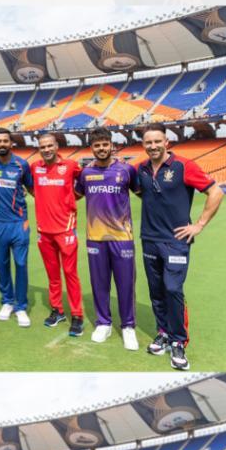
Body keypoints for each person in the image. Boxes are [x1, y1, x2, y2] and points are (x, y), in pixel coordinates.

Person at [135, 123, 224, 371]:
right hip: (149, 239)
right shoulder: (141, 168)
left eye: (157, 141)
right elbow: (143, 191)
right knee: (156, 291)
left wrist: (199, 225)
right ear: (143, 145)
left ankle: (178, 341)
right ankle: (163, 333)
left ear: (166, 142)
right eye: (148, 142)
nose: (153, 146)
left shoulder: (184, 166)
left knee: (172, 288)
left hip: (176, 241)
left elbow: (216, 192)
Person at [79, 127, 140, 351]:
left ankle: (128, 326)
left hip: (122, 237)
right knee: (99, 283)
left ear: (111, 146)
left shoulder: (126, 170)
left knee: (126, 284)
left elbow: (143, 194)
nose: (101, 148)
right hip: (95, 238)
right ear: (92, 148)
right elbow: (74, 195)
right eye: (97, 145)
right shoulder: (85, 173)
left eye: (105, 144)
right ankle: (103, 323)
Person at [31, 132, 84, 337]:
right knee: (52, 275)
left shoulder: (70, 166)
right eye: (42, 147)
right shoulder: (35, 167)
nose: (46, 149)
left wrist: (73, 198)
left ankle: (77, 315)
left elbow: (86, 180)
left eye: (49, 146)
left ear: (56, 146)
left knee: (70, 273)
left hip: (65, 230)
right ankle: (57, 310)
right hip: (44, 231)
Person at [0, 128, 34, 327]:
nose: (2, 144)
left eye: (5, 140)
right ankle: (7, 301)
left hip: (18, 224)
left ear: (11, 143)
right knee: (0, 264)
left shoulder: (22, 165)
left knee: (21, 265)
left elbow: (32, 188)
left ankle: (21, 306)